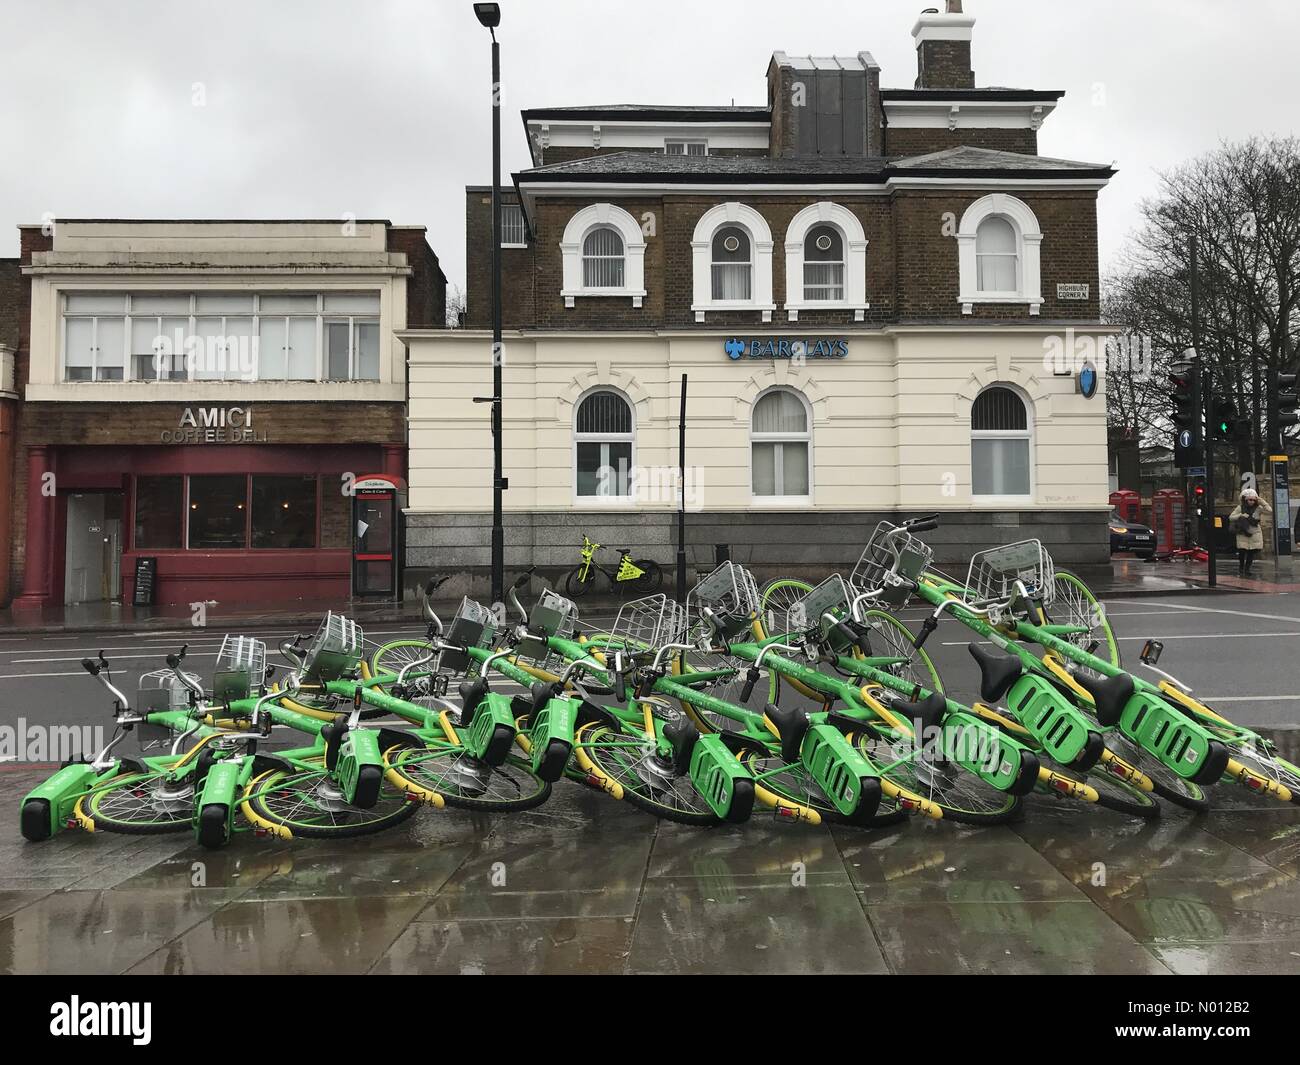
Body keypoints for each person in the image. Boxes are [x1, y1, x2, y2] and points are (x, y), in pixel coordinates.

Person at [1229, 488, 1272, 578]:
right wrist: (1240, 515)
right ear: (1245, 499)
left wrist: (1262, 501)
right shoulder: (1240, 507)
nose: (1252, 502)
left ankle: (1247, 569)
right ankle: (1241, 567)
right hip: (1243, 532)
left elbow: (1269, 510)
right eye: (1250, 500)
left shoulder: (1258, 508)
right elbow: (1231, 517)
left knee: (1251, 552)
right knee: (1242, 551)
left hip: (1254, 532)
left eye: (1253, 500)